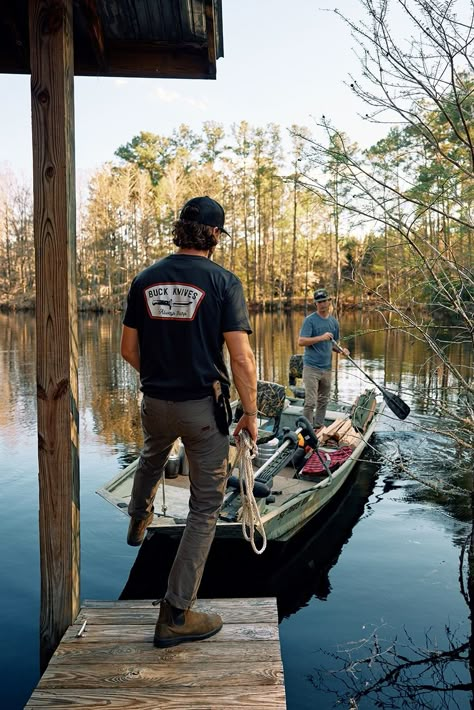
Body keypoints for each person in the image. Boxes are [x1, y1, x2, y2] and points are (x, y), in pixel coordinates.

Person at [120, 196, 258, 648]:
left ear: (181, 229)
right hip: (202, 410)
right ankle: (176, 614)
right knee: (204, 509)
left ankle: (138, 519)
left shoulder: (144, 280)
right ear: (215, 235)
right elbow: (241, 357)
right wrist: (250, 413)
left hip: (155, 402)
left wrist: (161, 378)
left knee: (152, 455)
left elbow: (127, 350)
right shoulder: (223, 282)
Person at [298, 288, 350, 430]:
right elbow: (301, 341)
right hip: (311, 368)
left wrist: (342, 351)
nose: (321, 304)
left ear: (329, 301)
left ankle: (319, 427)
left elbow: (333, 345)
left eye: (324, 301)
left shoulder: (334, 323)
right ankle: (307, 430)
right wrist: (321, 337)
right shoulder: (310, 321)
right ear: (316, 304)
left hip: (326, 368)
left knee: (323, 401)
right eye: (318, 302)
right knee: (310, 402)